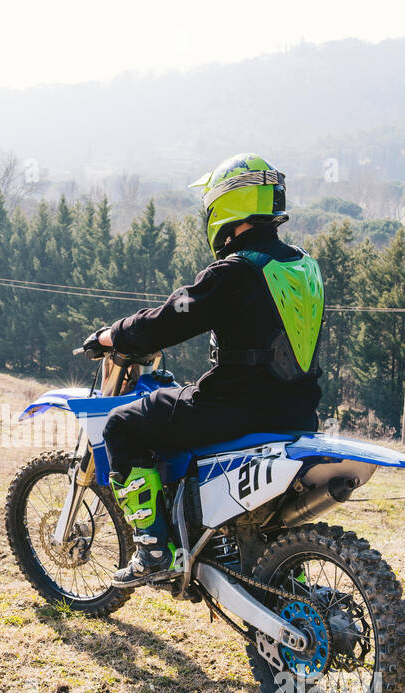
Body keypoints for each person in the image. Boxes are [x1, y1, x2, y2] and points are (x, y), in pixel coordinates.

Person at [83, 152, 325, 588]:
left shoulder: (233, 271)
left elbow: (168, 319)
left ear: (226, 207)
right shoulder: (305, 265)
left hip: (233, 409)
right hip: (300, 415)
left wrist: (113, 335)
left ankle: (155, 552)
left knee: (122, 424)